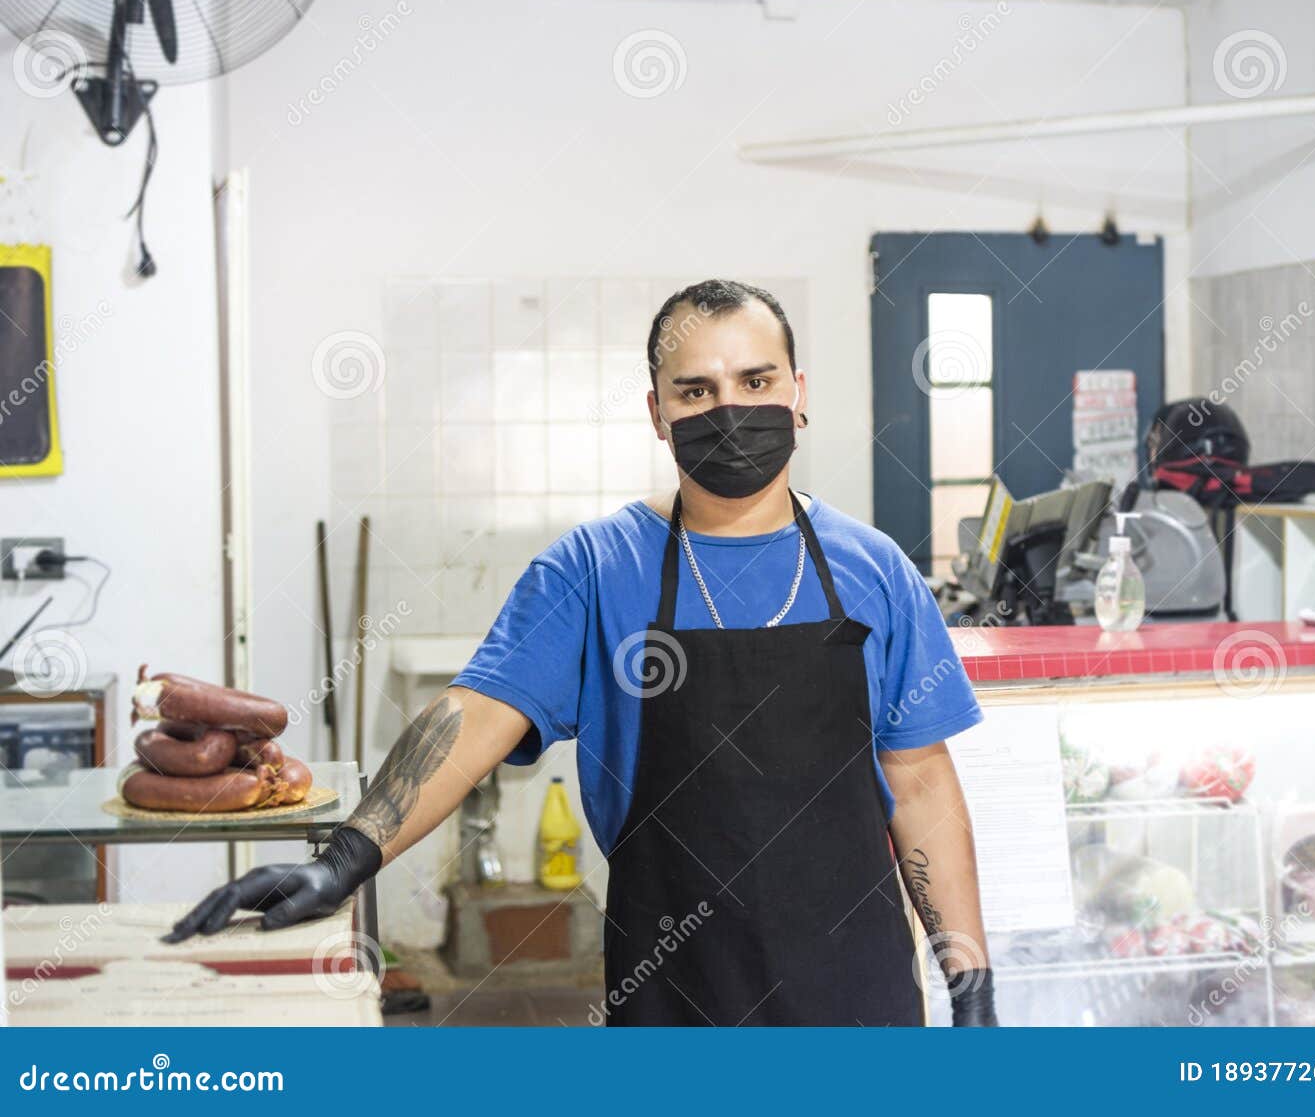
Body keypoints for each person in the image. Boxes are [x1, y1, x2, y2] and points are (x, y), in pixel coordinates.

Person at [165, 279, 996, 1026]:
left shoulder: (875, 569)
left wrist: (972, 986)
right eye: (696, 389)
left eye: (756, 381)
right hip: (675, 994)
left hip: (857, 999)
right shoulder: (597, 568)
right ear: (657, 412)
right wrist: (347, 856)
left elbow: (920, 780)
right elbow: (477, 713)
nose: (730, 410)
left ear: (798, 392)